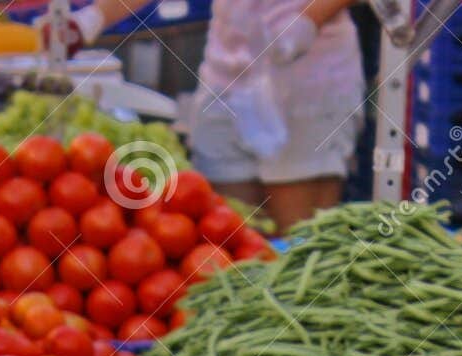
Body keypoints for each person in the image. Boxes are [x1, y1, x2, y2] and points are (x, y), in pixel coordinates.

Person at [44, 0, 365, 230]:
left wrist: (309, 19)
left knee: (297, 237)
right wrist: (90, 20)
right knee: (229, 234)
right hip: (227, 79)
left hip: (307, 81)